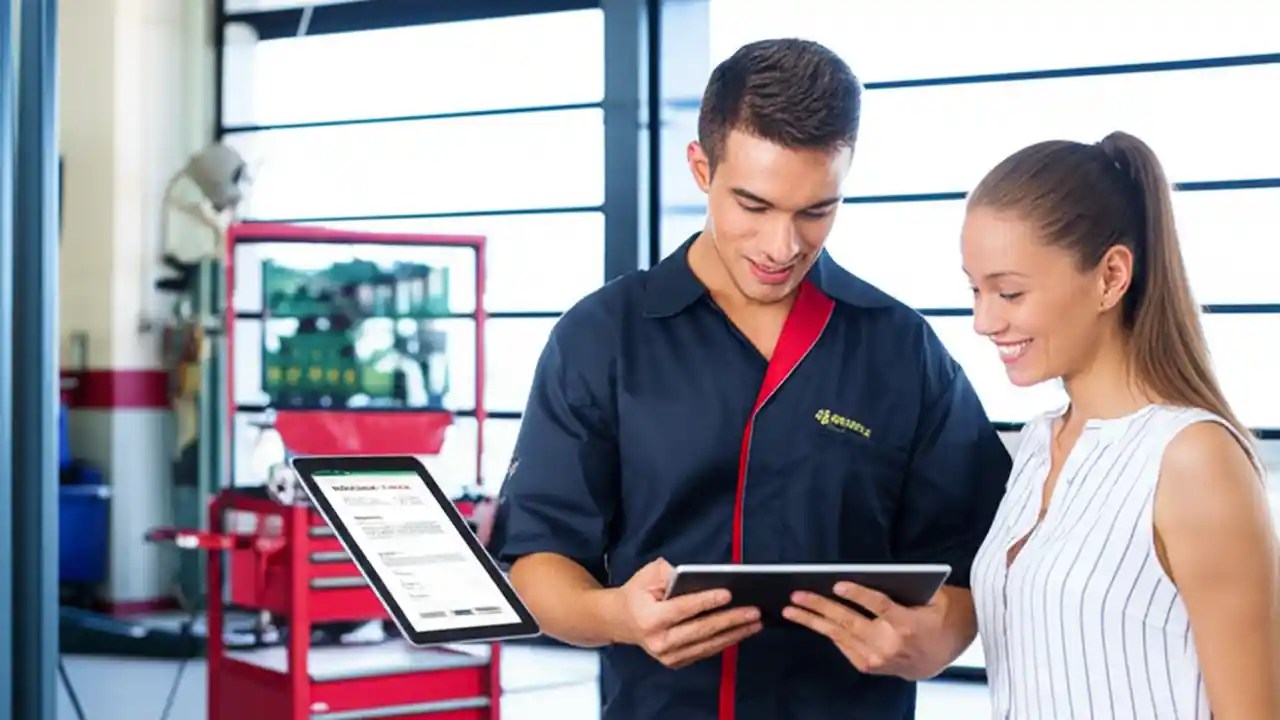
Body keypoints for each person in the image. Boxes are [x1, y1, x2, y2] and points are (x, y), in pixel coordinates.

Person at [487, 38, 1012, 720]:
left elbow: (979, 554)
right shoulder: (601, 337)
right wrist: (614, 614)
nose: (781, 246)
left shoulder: (900, 349)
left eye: (816, 211)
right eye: (755, 206)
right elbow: (538, 561)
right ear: (701, 168)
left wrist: (940, 636)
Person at [963, 131, 1280, 719]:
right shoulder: (1037, 446)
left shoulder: (1192, 459)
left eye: (1009, 292)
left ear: (1110, 276)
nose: (984, 320)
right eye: (974, 290)